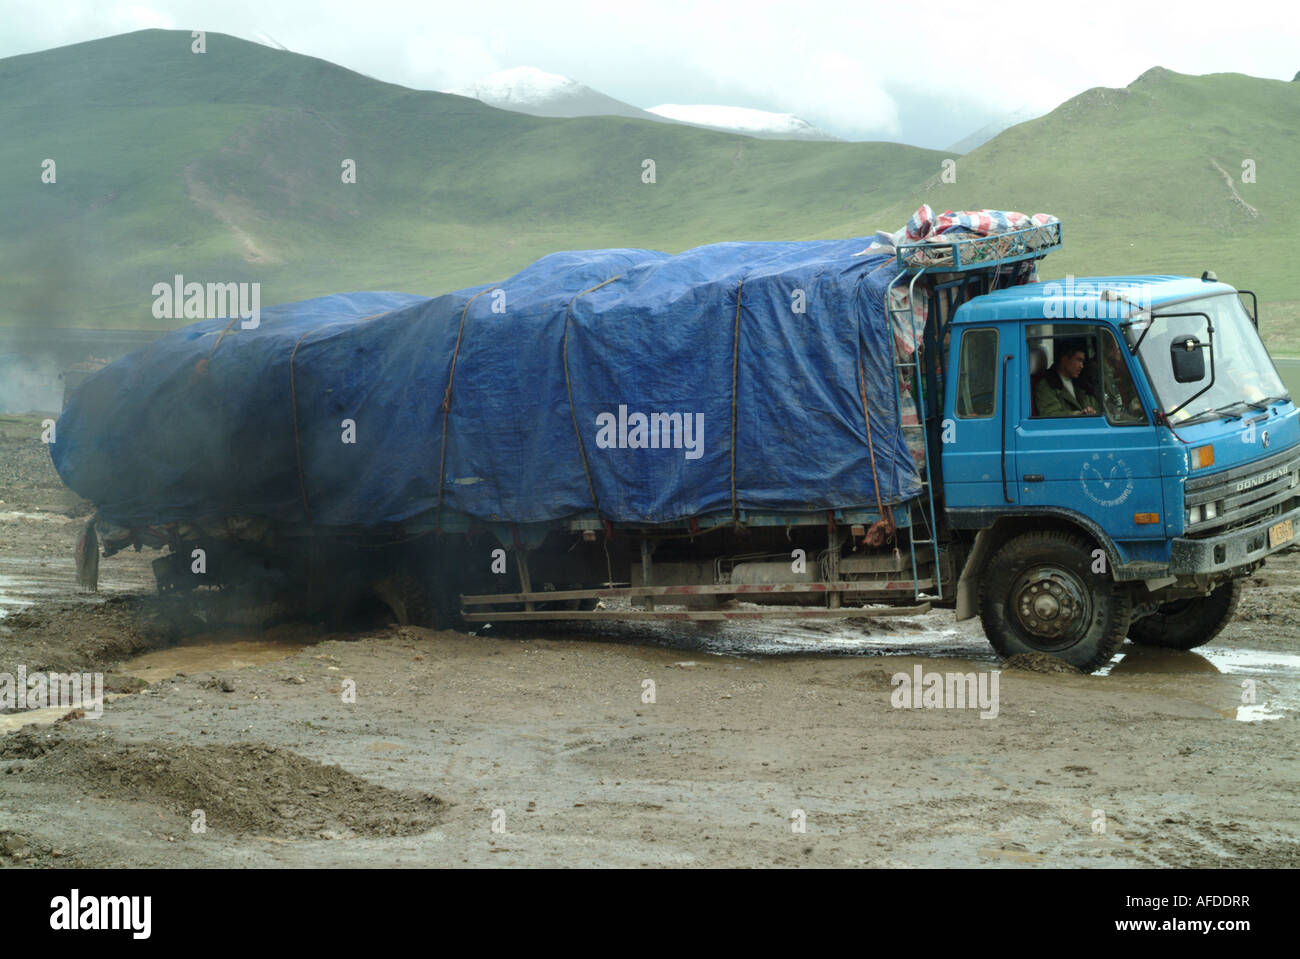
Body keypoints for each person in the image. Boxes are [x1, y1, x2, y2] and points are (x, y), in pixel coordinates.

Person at [1035, 340, 1099, 417]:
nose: (1081, 366)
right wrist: (1077, 414)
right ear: (1065, 360)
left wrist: (1093, 412)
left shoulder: (1081, 383)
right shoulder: (1046, 386)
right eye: (1078, 360)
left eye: (1082, 362)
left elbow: (1097, 407)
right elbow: (1050, 414)